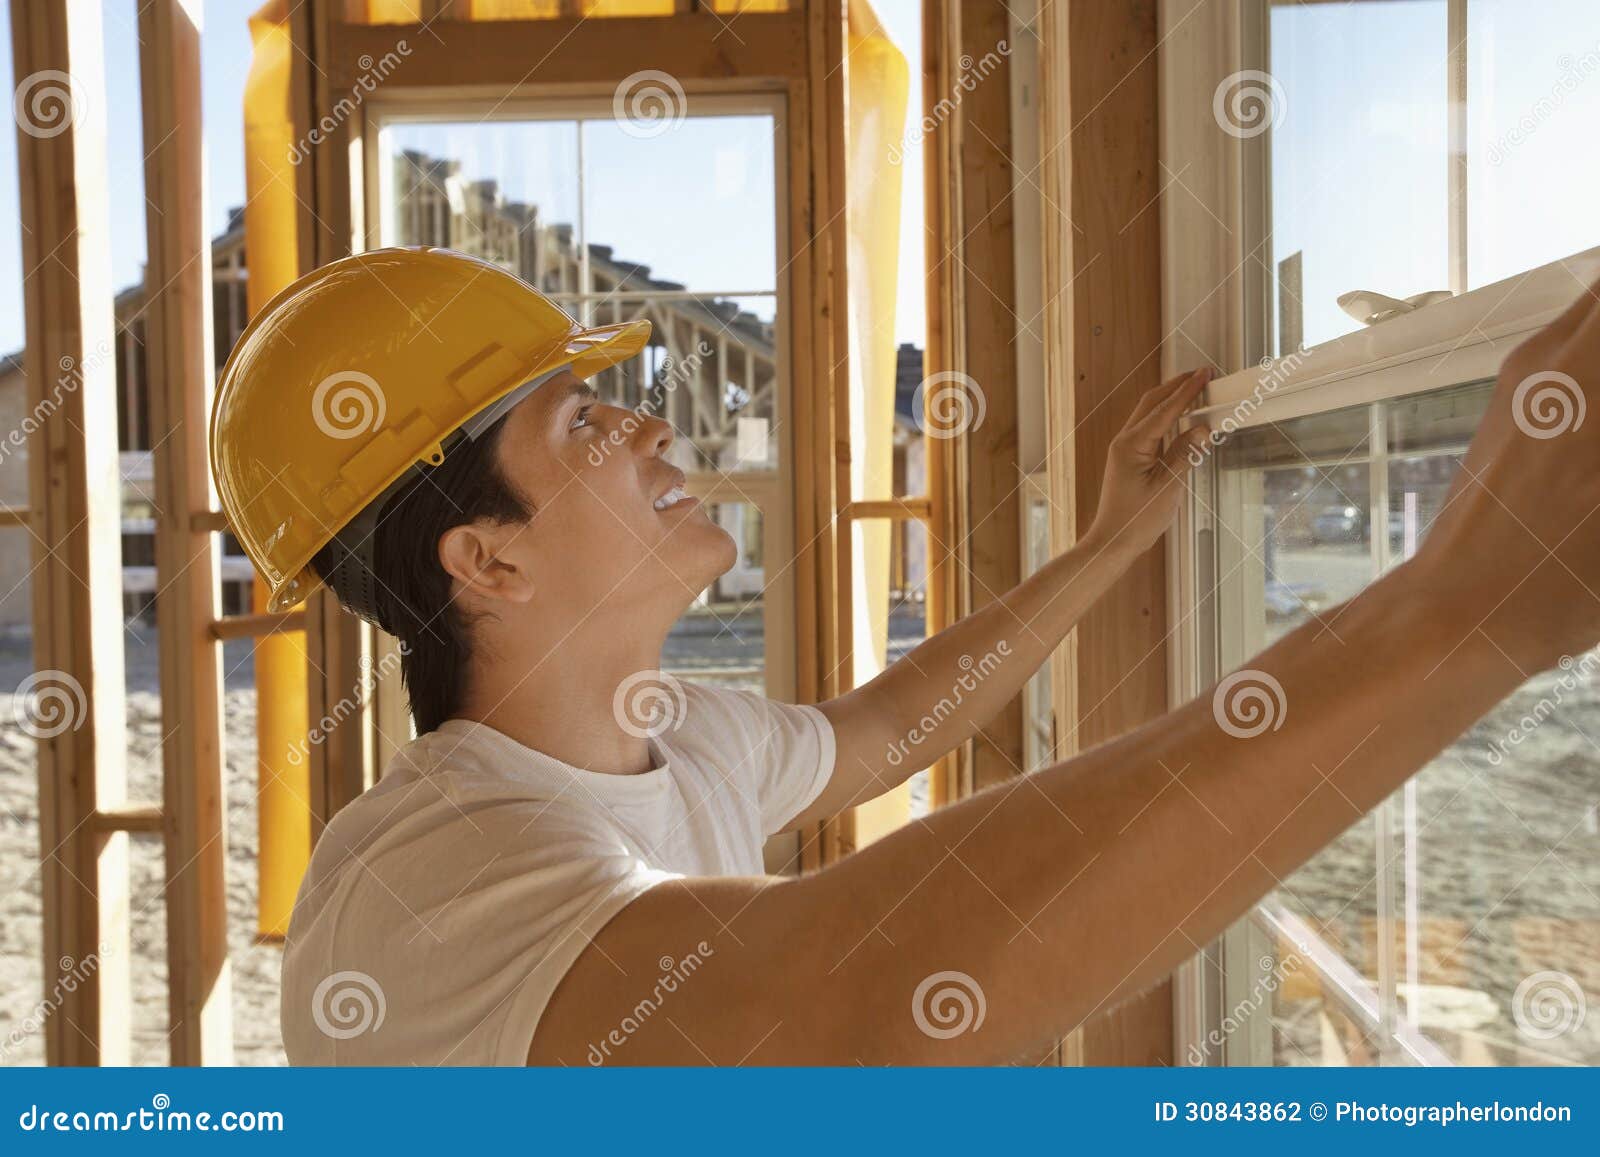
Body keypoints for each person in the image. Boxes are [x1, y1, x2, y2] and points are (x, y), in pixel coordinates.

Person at [210, 247, 1600, 1065]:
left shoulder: (674, 734)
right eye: (580, 425)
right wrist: (1460, 609)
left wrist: (1109, 545)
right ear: (489, 561)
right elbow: (857, 1005)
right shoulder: (419, 884)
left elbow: (891, 726)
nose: (644, 426)